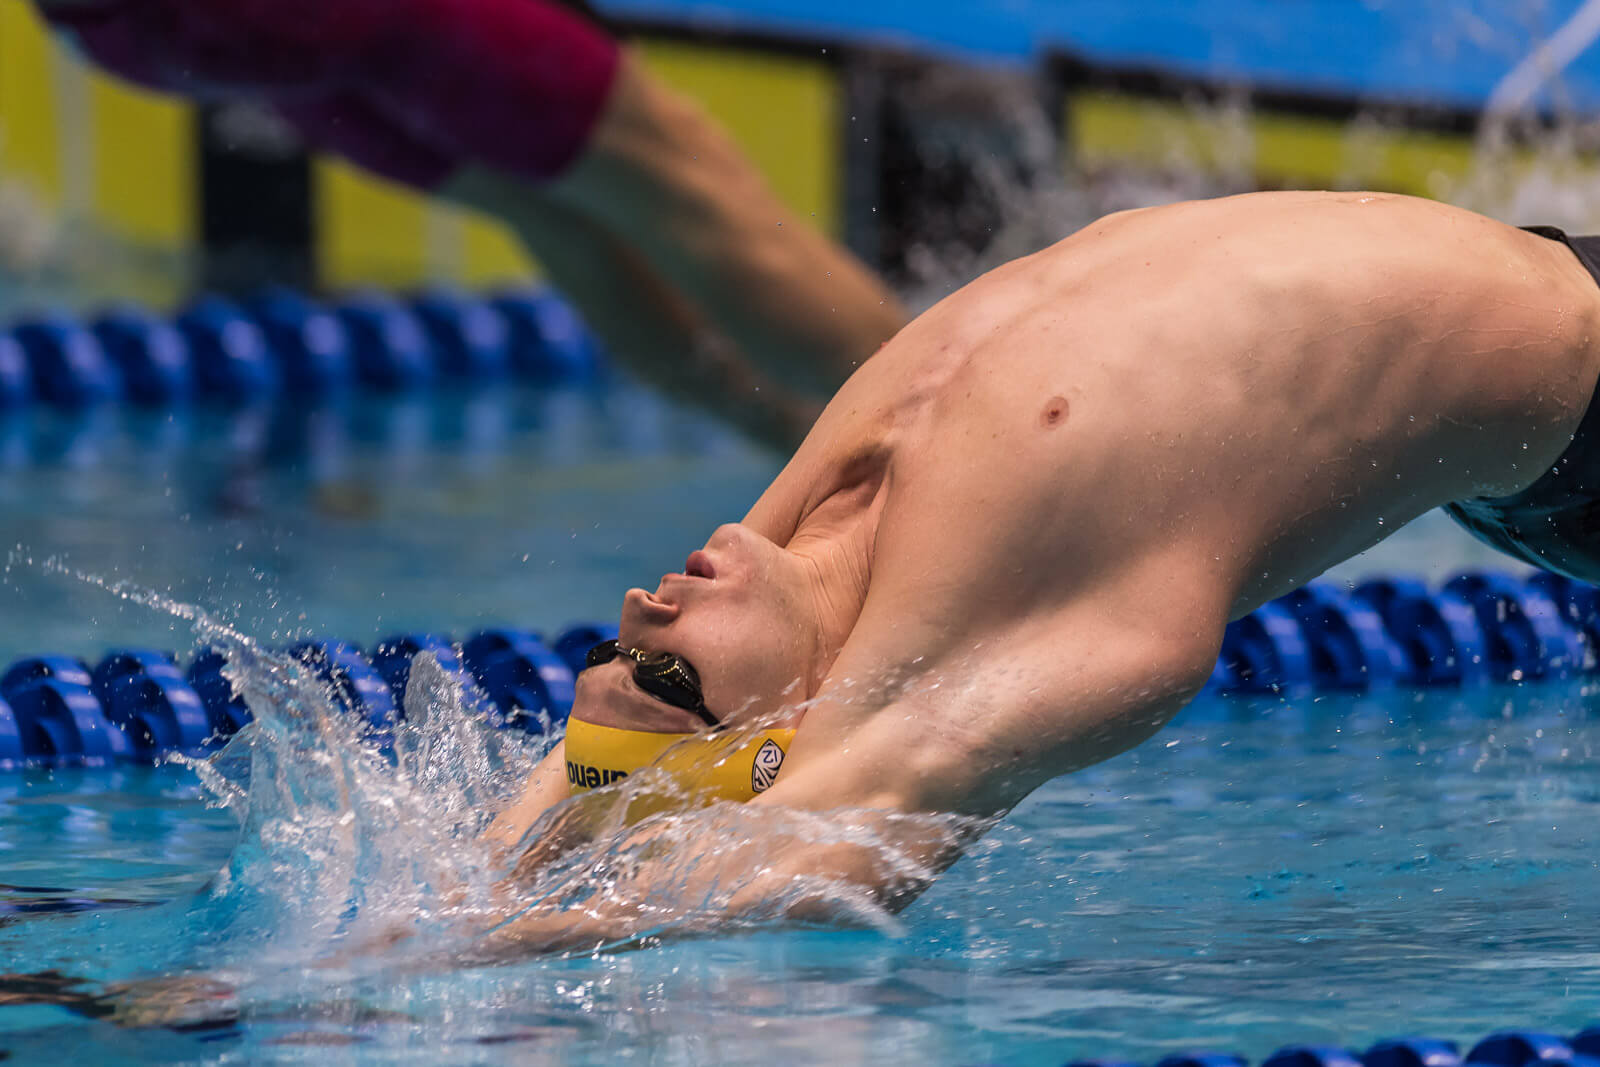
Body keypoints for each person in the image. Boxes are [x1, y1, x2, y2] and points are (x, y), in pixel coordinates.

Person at [471, 189, 1600, 954]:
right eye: (669, 675)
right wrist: (450, 980)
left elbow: (583, 776)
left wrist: (445, 914)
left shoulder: (832, 502)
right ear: (781, 730)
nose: (640, 606)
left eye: (620, 648)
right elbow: (821, 840)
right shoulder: (1016, 619)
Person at [30, 0, 908, 448]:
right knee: (687, 183)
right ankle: (960, 455)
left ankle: (815, 466)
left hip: (149, 34)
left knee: (555, 211)